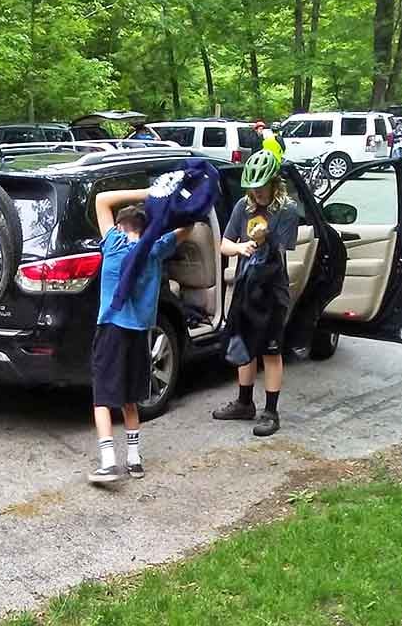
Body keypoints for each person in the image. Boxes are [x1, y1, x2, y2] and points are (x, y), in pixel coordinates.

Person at [89, 187, 191, 484]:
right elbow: (188, 229)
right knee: (131, 397)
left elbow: (101, 199)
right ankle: (134, 460)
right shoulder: (154, 250)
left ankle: (108, 463)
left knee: (102, 398)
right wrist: (175, 205)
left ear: (120, 226)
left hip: (110, 330)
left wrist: (147, 192)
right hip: (139, 334)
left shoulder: (113, 243)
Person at [212, 149, 298, 437]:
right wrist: (239, 248)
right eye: (253, 189)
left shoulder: (286, 210)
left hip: (272, 290)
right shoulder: (242, 207)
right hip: (245, 287)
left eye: (262, 189)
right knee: (244, 345)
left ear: (274, 183)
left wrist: (264, 239)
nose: (258, 194)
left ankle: (271, 412)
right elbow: (225, 244)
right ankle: (244, 403)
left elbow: (280, 253)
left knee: (271, 350)